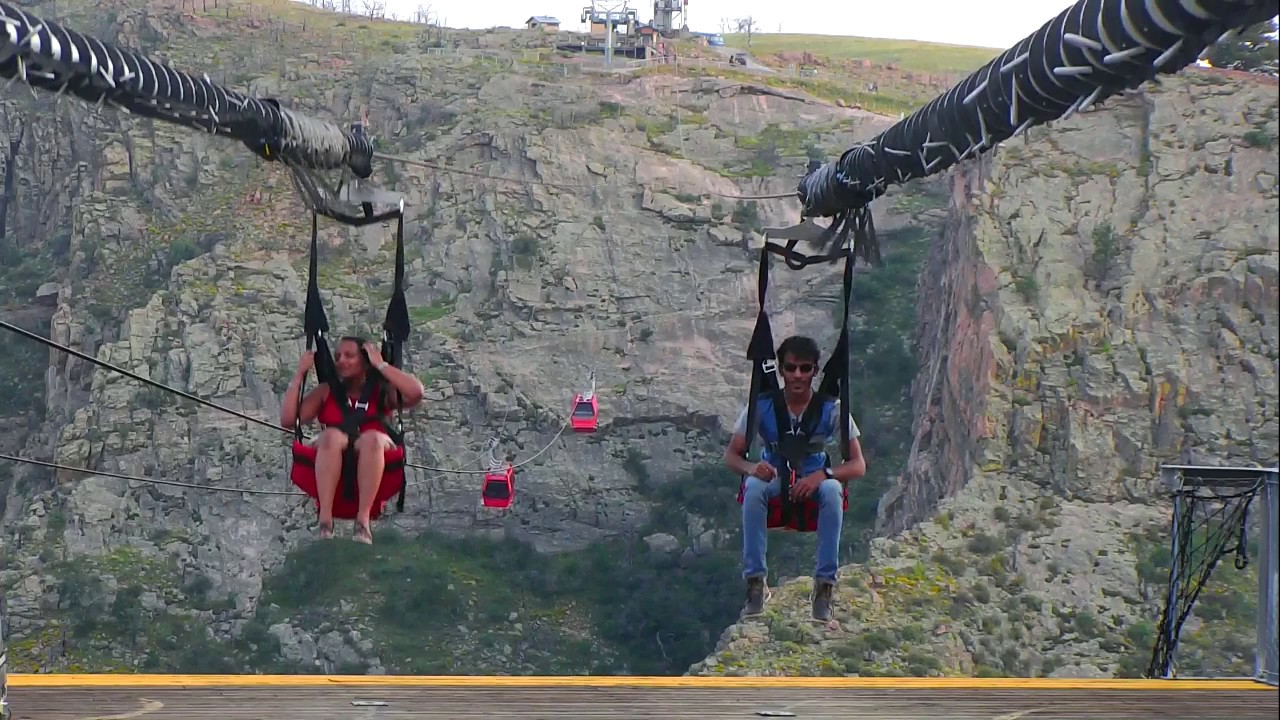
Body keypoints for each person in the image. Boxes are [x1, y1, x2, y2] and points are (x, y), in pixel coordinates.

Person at [723, 335, 867, 622]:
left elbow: (858, 465)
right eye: (791, 368)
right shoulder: (761, 407)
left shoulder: (832, 409)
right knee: (752, 488)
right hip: (774, 476)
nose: (797, 375)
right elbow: (732, 456)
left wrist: (822, 475)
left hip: (813, 477)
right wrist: (752, 467)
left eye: (805, 368)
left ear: (815, 371)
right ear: (780, 370)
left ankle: (824, 586)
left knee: (831, 491)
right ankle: (755, 582)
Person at [280, 336, 425, 544]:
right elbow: (288, 420)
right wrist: (299, 374)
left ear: (364, 361)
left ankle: (363, 520)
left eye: (349, 356)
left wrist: (381, 364)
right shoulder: (327, 391)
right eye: (338, 356)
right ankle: (325, 520)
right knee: (330, 435)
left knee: (372, 439)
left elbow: (415, 393)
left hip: (373, 452)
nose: (341, 361)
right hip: (333, 452)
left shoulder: (382, 392)